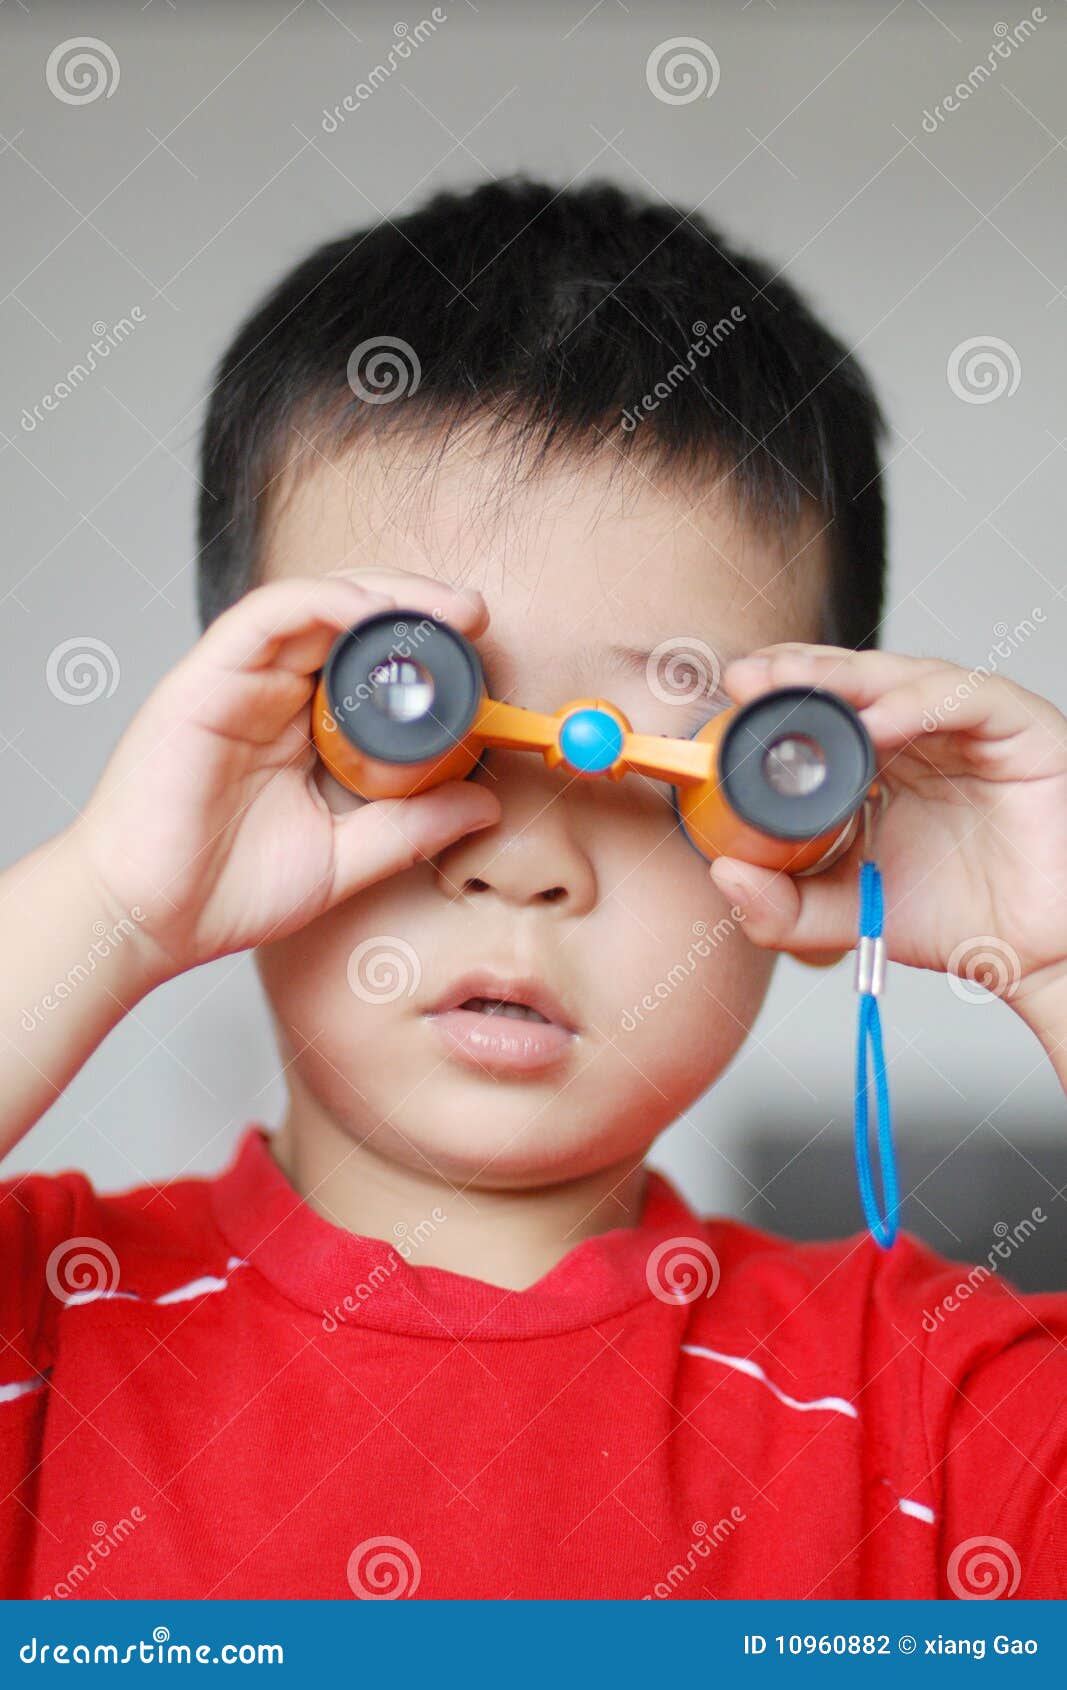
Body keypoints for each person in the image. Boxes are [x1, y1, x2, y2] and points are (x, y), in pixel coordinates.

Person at [2, 180, 1064, 1601]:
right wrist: (114, 902)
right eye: (406, 709)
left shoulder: (935, 1420)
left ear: (809, 809)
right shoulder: (49, 1332)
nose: (524, 856)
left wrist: (1053, 951)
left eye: (674, 765)